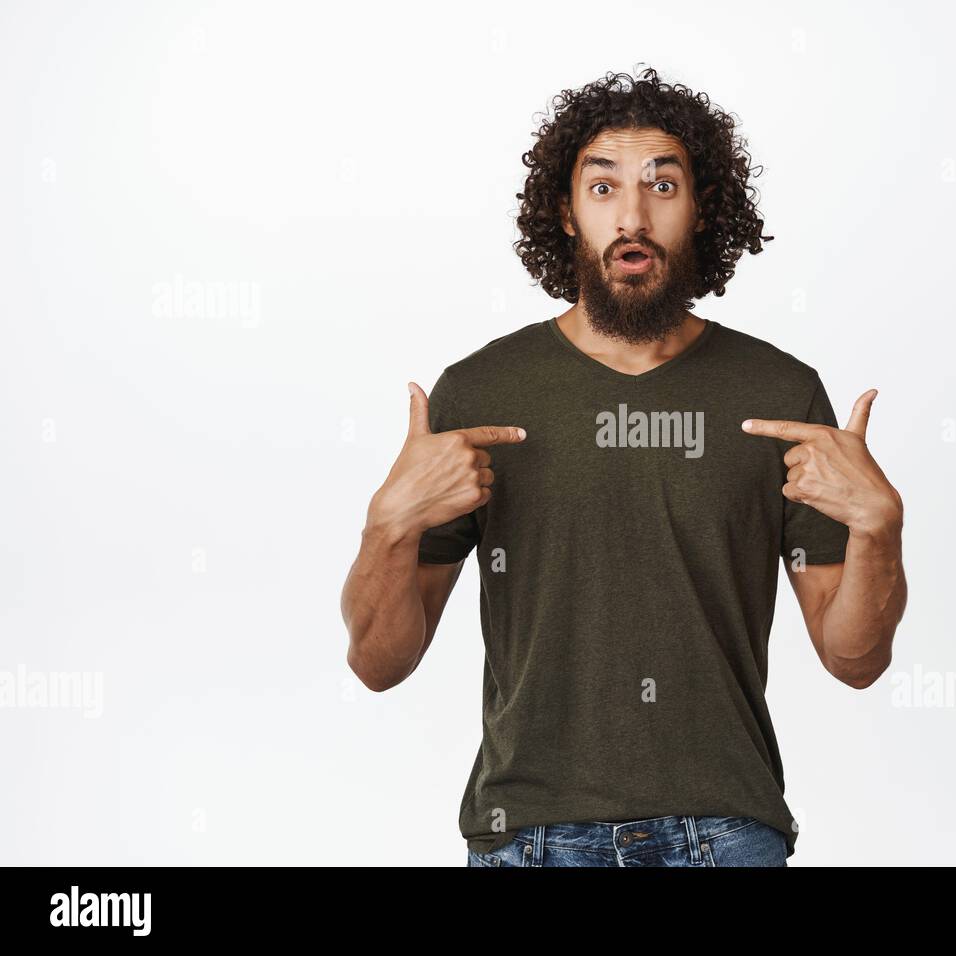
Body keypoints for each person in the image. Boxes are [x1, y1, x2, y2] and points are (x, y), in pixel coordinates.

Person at [340, 66, 907, 867]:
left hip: (727, 831)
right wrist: (386, 526)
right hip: (526, 835)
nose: (632, 216)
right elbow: (378, 663)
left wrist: (881, 529)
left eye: (662, 185)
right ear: (566, 214)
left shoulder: (780, 394)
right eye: (602, 188)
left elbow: (856, 661)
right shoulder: (481, 392)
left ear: (703, 208)